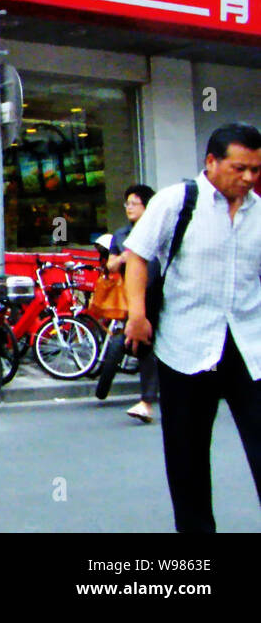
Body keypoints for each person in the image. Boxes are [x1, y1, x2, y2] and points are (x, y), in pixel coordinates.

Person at [123, 123, 261, 533]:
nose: (249, 178)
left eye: (256, 169)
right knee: (187, 457)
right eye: (240, 168)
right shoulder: (175, 202)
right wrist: (136, 313)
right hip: (186, 344)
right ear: (212, 162)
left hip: (250, 347)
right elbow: (137, 256)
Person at [106, 183, 159, 422]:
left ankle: (148, 400)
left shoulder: (161, 231)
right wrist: (126, 257)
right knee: (142, 345)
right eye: (126, 203)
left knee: (148, 346)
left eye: (134, 203)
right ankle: (147, 400)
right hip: (135, 296)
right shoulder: (121, 235)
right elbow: (111, 264)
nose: (129, 207)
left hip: (162, 293)